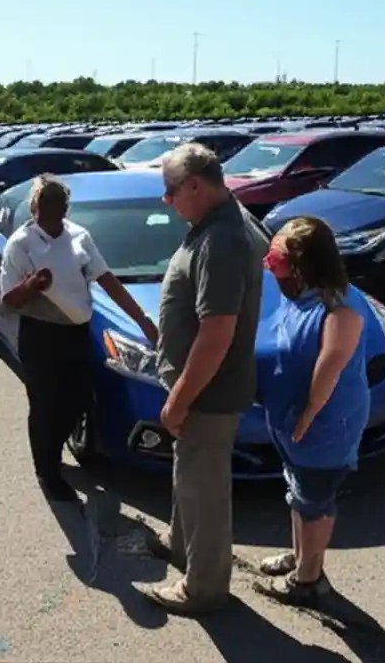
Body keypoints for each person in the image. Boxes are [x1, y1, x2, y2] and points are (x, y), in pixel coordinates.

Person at [136, 142, 268, 615]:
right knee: (188, 476)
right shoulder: (215, 224)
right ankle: (180, 545)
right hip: (202, 389)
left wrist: (180, 399)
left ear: (195, 184)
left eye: (170, 190)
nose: (165, 200)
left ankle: (205, 588)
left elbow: (217, 333)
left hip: (208, 393)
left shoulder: (222, 240)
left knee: (205, 490)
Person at [0, 175, 159, 503]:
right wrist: (30, 287)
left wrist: (142, 319)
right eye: (46, 205)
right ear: (35, 206)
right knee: (45, 406)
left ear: (65, 208)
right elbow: (6, 302)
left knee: (77, 401)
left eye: (59, 205)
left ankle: (54, 450)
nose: (53, 211)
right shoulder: (21, 243)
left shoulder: (79, 237)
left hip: (75, 333)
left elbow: (107, 280)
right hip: (40, 335)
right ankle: (48, 471)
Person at [251, 215, 371, 608]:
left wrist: (307, 414)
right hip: (292, 427)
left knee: (315, 502)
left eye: (278, 262)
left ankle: (307, 579)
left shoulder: (341, 308)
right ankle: (300, 556)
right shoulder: (302, 294)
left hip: (322, 430)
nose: (271, 268)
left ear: (305, 264)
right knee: (298, 493)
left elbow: (331, 363)